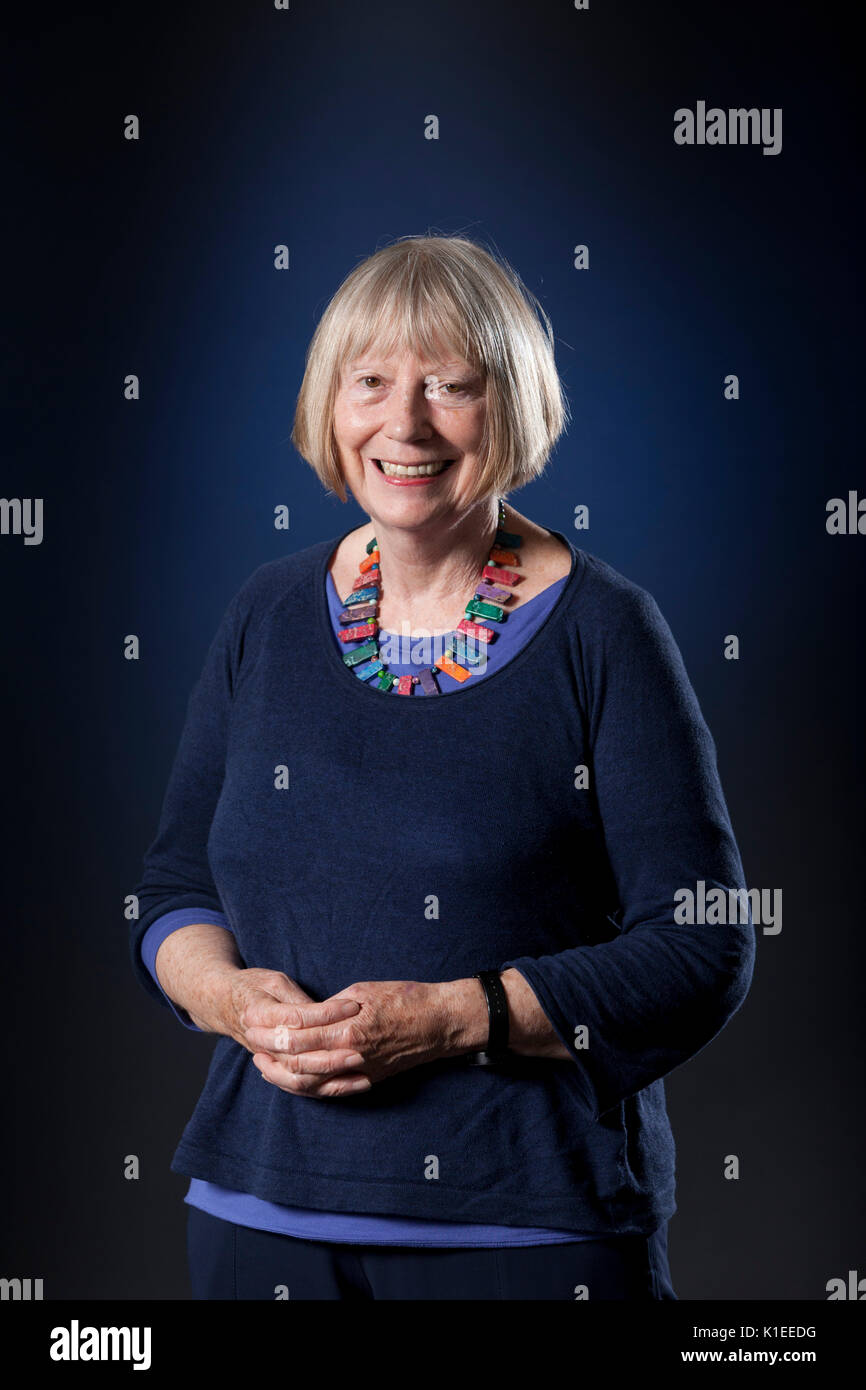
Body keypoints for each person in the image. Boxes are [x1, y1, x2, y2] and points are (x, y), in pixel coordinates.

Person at [130, 233, 754, 1301]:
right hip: (256, 1216)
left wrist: (462, 1017)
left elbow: (703, 941)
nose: (402, 423)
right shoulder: (266, 614)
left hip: (522, 1231)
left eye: (448, 387)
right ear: (330, 404)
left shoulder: (604, 631)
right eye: (368, 381)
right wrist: (231, 1000)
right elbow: (176, 886)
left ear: (508, 407)